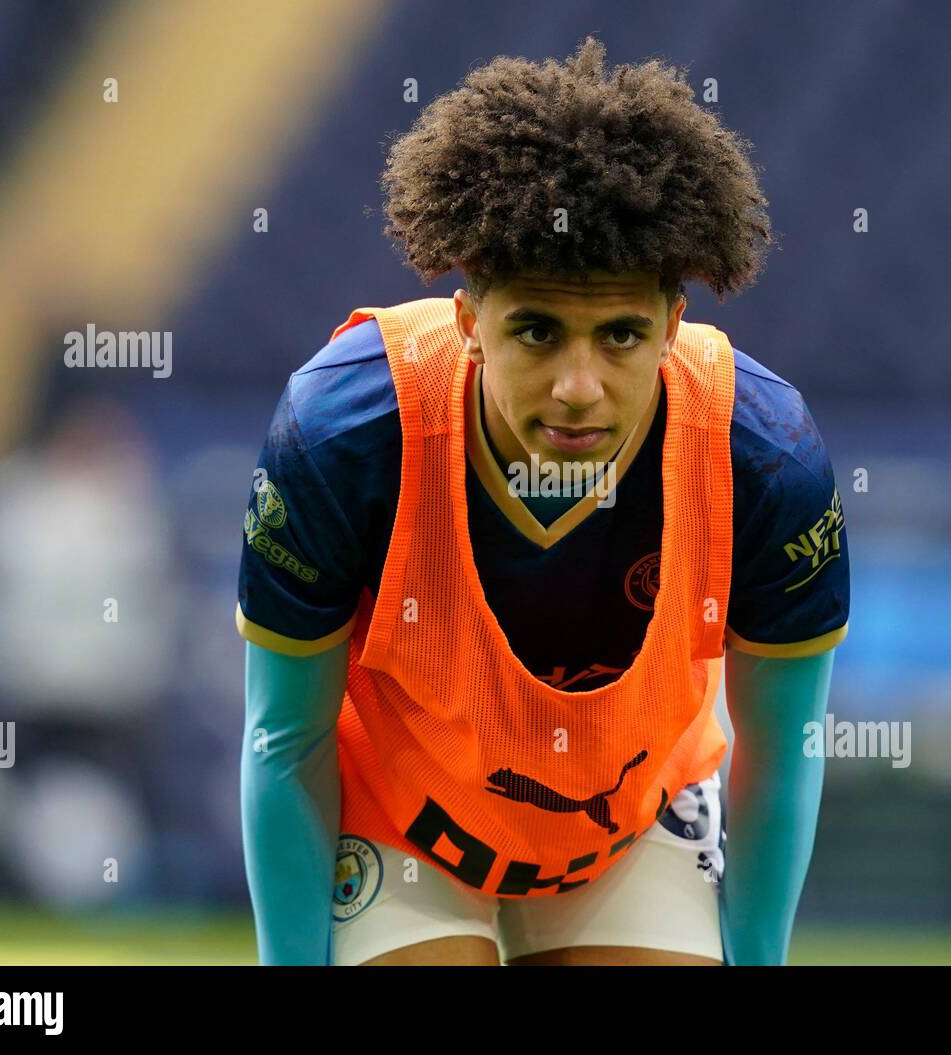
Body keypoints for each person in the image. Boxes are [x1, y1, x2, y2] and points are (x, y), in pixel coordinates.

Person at [236, 36, 849, 966]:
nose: (577, 386)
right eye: (536, 330)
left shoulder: (766, 455)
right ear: (469, 317)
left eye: (619, 335)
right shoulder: (343, 430)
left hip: (629, 825)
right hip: (400, 819)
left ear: (674, 326)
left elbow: (785, 743)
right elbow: (284, 740)